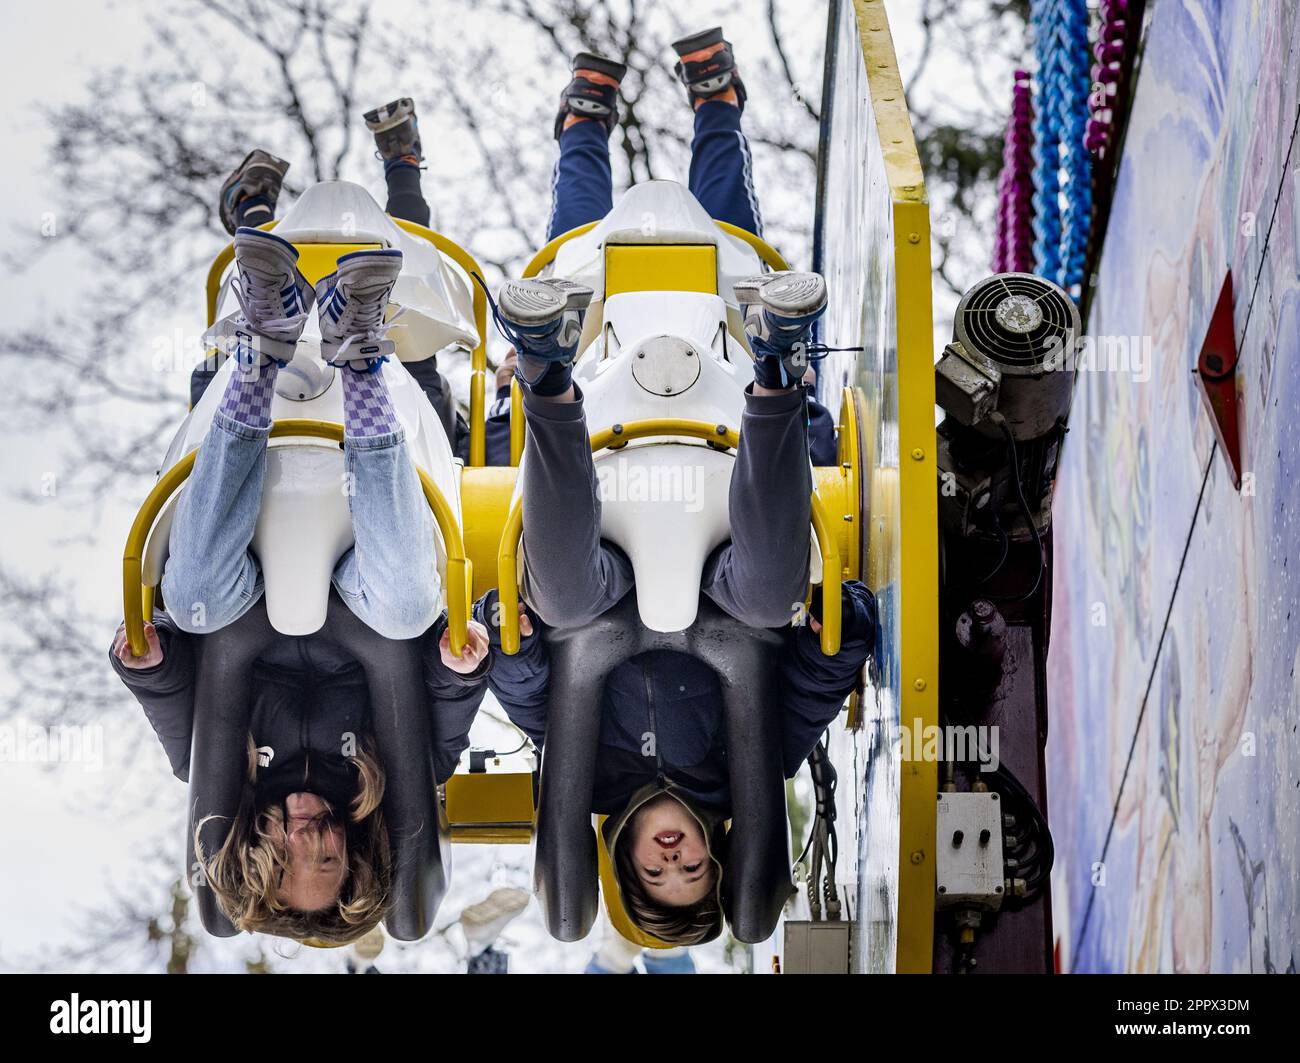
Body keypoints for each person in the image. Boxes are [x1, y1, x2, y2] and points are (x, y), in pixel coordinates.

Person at [476, 30, 877, 948]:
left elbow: (520, 674)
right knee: (727, 251)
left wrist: (508, 641)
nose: (671, 853)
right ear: (720, 849)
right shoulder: (758, 757)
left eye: (654, 869)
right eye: (692, 866)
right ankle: (720, 117)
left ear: (620, 855)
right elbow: (824, 670)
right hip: (724, 513)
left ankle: (550, 357)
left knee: (581, 254)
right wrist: (843, 623)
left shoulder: (579, 766)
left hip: (611, 510)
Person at [110, 99, 493, 944]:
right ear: (357, 849)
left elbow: (168, 682)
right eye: (330, 858)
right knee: (406, 608)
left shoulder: (209, 760)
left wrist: (140, 660)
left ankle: (259, 331)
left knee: (197, 600)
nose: (311, 841)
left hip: (252, 545)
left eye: (290, 858)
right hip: (373, 527)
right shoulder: (401, 767)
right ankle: (362, 335)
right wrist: (465, 663)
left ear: (257, 847)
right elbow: (449, 691)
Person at [201, 100, 473, 460]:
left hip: (284, 388)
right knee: (407, 340)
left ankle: (255, 215)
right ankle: (401, 163)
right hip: (388, 414)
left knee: (244, 350)